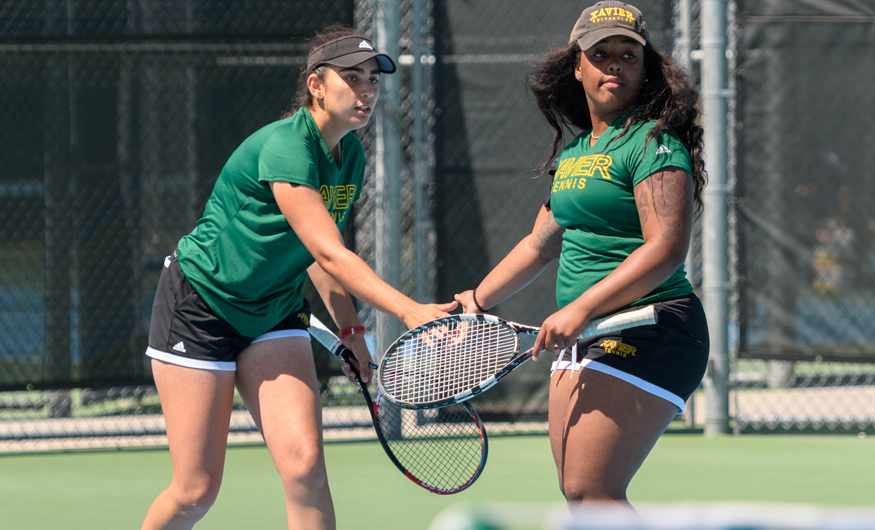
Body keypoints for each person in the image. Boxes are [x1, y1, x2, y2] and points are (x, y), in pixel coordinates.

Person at [141, 25, 456, 530]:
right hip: (201, 305)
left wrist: (353, 332)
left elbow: (314, 253)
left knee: (307, 469)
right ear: (316, 84)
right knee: (195, 490)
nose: (367, 90)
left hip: (275, 309)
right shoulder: (286, 147)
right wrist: (408, 310)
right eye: (352, 78)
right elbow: (330, 252)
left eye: (373, 79)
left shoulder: (347, 153)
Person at [454, 1, 709, 508]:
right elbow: (539, 244)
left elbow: (666, 248)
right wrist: (477, 300)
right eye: (601, 53)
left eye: (627, 54)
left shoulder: (653, 143)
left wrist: (581, 308)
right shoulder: (575, 155)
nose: (614, 63)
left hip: (651, 327)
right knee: (580, 496)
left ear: (645, 65)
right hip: (588, 334)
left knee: (591, 490)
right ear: (577, 65)